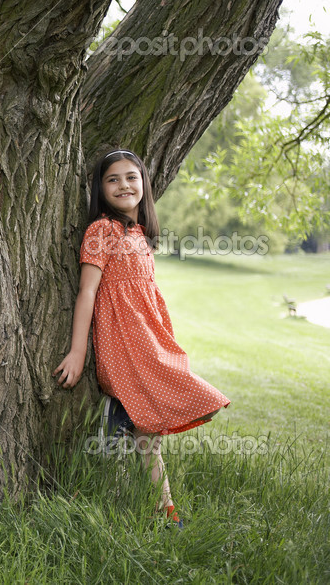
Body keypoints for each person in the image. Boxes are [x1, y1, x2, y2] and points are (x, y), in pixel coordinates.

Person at [53, 149, 230, 528]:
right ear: (100, 189)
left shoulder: (140, 233)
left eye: (131, 177)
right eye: (112, 179)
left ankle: (164, 511)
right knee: (182, 405)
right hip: (126, 345)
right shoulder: (103, 230)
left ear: (144, 183)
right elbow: (87, 292)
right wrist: (78, 351)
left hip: (151, 340)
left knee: (149, 435)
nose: (123, 185)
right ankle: (121, 494)